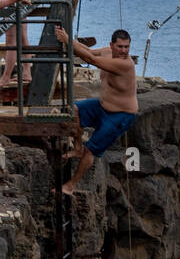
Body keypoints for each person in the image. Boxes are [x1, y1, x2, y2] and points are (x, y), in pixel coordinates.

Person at [53, 26, 138, 194]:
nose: (124, 50)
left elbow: (90, 59)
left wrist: (67, 41)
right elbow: (87, 50)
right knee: (74, 110)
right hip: (102, 106)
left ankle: (70, 186)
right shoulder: (106, 52)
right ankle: (77, 147)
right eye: (120, 46)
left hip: (121, 115)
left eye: (127, 47)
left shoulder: (125, 64)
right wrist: (68, 37)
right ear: (111, 45)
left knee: (90, 149)